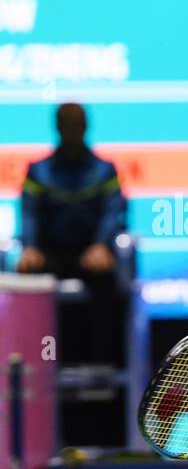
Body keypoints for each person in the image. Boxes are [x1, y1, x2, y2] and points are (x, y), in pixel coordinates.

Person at [16, 102, 128, 365]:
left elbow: (113, 212)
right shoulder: (38, 171)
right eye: (66, 125)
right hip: (50, 254)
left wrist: (101, 245)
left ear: (85, 126)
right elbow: (30, 213)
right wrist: (30, 246)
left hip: (90, 253)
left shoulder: (105, 170)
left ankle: (102, 363)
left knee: (107, 280)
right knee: (28, 277)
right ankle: (40, 359)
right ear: (57, 127)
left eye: (76, 124)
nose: (71, 130)